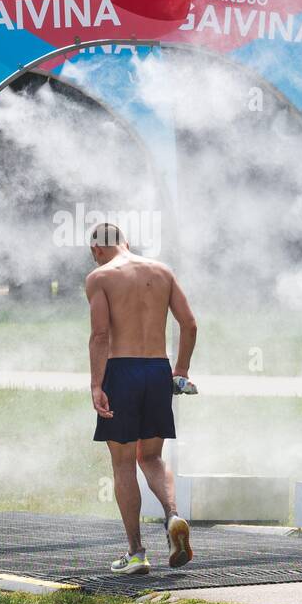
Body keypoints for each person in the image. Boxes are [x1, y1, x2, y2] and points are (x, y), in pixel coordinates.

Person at [85, 222, 197, 575]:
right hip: (157, 370)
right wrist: (180, 370)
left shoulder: (100, 277)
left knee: (122, 463)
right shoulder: (162, 271)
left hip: (122, 370)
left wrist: (96, 384)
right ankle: (173, 516)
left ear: (96, 250)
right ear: (126, 242)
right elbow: (190, 324)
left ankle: (136, 552)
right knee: (151, 456)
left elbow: (101, 334)